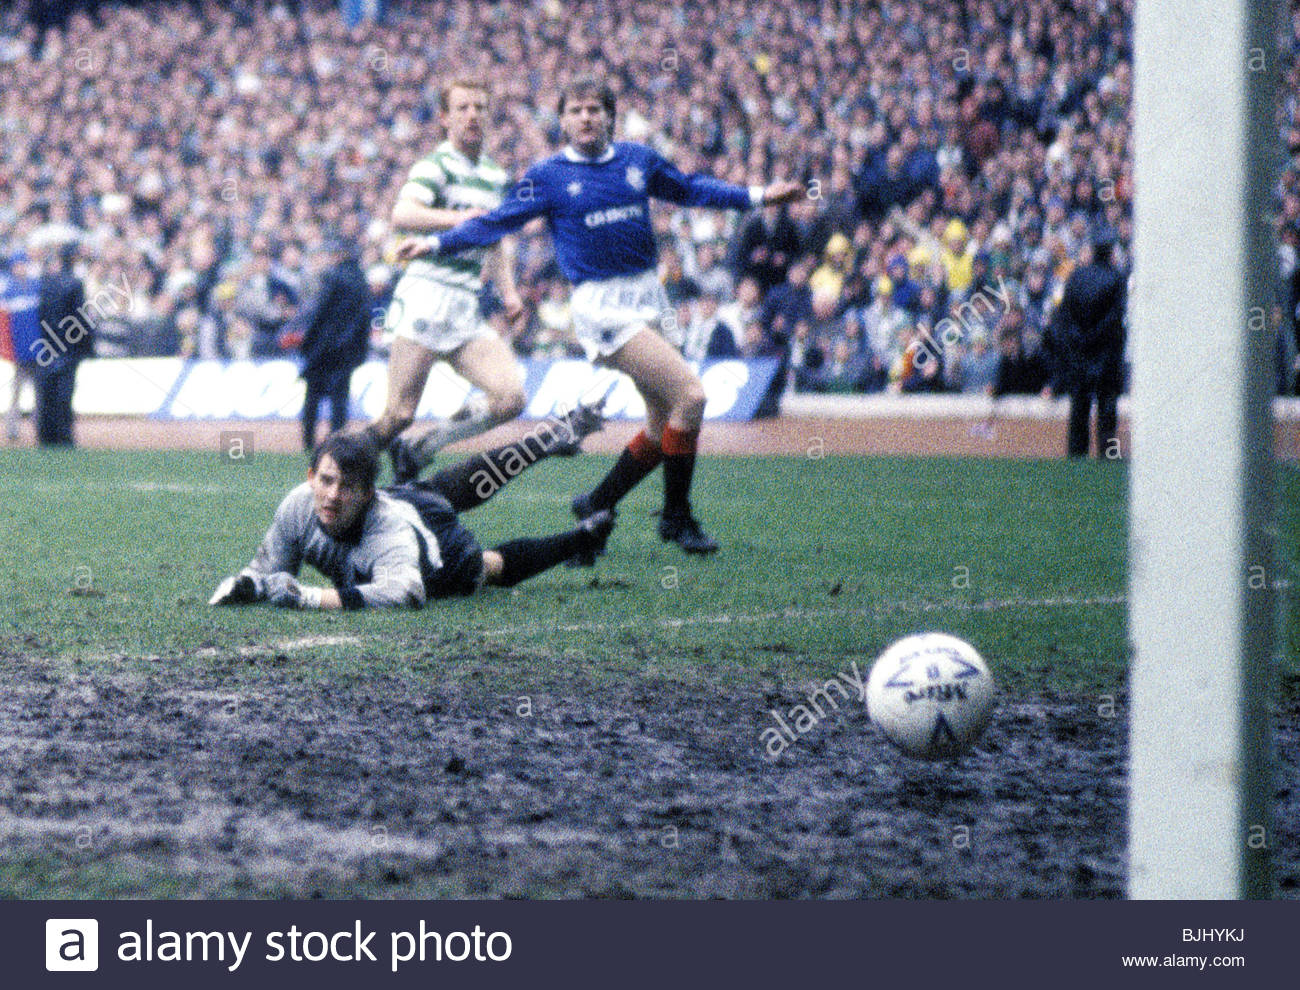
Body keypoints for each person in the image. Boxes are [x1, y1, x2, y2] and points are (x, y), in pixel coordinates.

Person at [397, 76, 802, 554]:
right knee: (691, 397)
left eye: (594, 109)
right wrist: (437, 242)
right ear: (563, 120)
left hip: (649, 296)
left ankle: (597, 501)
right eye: (576, 110)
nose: (586, 117)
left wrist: (756, 196)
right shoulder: (547, 176)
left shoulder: (638, 160)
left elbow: (691, 190)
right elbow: (496, 221)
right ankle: (676, 517)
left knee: (662, 421)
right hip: (601, 305)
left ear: (610, 116)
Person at [209, 419, 612, 611]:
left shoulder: (386, 529)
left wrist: (313, 597)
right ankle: (543, 444)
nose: (331, 495)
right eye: (326, 481)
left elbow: (407, 591)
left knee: (488, 565)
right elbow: (269, 568)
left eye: (345, 487)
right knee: (456, 483)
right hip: (404, 497)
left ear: (365, 493)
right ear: (311, 476)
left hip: (439, 554)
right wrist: (247, 585)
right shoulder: (299, 502)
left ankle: (581, 536)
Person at [369, 78, 528, 482]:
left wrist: (509, 294)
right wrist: (458, 219)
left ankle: (423, 448)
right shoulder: (434, 165)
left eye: (480, 107)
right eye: (462, 108)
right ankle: (334, 466)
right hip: (426, 294)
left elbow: (495, 239)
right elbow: (402, 214)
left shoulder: (495, 175)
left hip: (465, 304)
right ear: (444, 118)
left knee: (509, 398)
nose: (473, 114)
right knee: (399, 414)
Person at [1052, 228, 1127, 458]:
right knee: (1106, 407)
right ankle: (1108, 454)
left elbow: (1065, 314)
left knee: (1079, 407)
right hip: (1105, 351)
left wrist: (1079, 339)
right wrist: (1097, 336)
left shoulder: (1076, 276)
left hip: (1080, 350)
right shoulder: (1115, 278)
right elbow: (1114, 317)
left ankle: (1076, 454)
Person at [296, 238, 372, 451]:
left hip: (324, 348)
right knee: (340, 398)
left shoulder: (334, 277)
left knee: (313, 396)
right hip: (347, 350)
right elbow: (364, 317)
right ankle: (336, 443)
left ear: (339, 255)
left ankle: (308, 442)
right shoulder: (361, 280)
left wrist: (307, 343)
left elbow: (320, 313)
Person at [33, 244, 94, 446]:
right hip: (69, 346)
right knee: (64, 393)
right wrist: (88, 346)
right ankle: (63, 436)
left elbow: (40, 315)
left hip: (47, 344)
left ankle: (45, 436)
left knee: (45, 393)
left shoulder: (45, 283)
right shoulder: (75, 284)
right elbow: (81, 318)